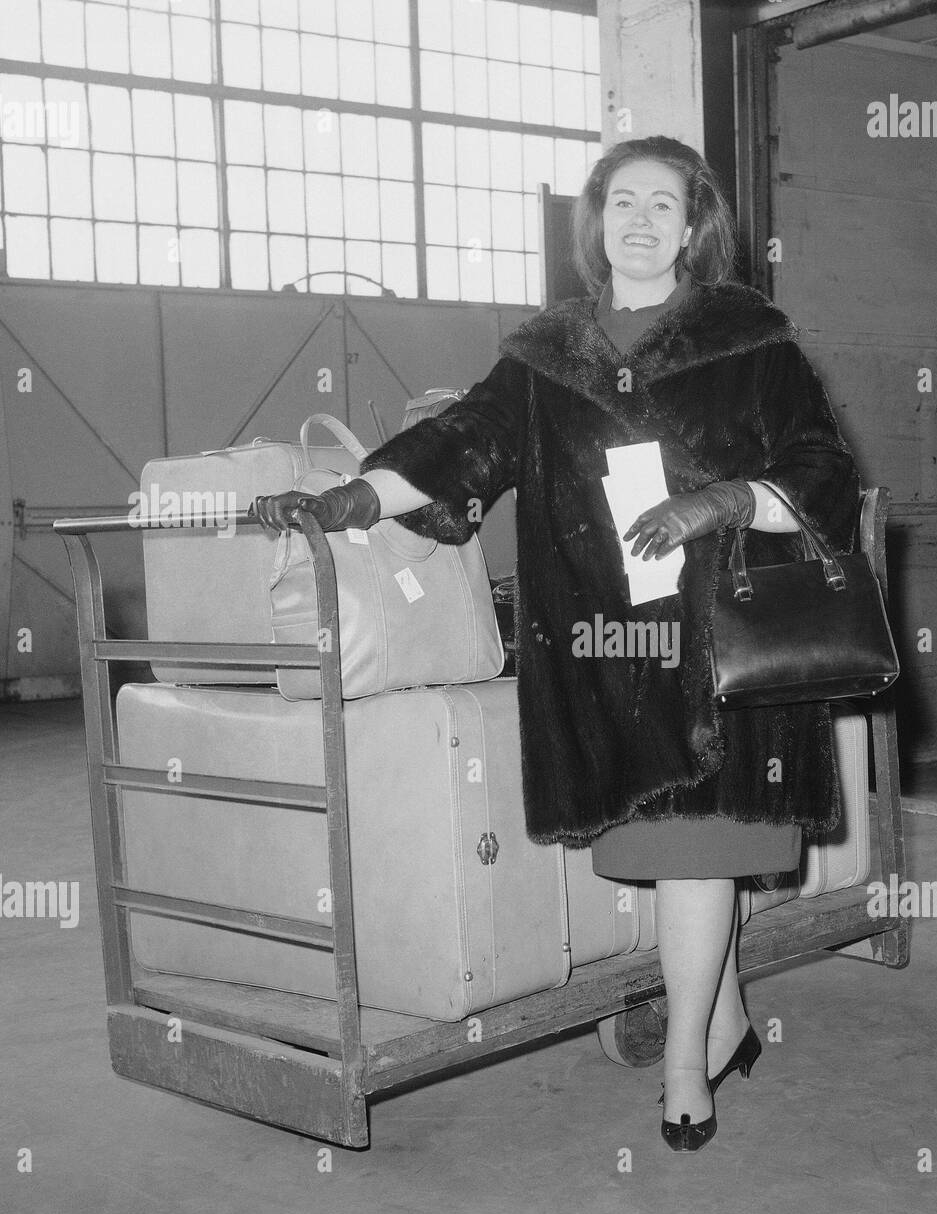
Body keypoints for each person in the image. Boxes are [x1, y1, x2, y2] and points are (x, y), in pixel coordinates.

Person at [254, 136, 861, 1153]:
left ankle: (684, 1075)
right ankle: (726, 1021)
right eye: (621, 201)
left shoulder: (753, 343)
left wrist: (722, 501)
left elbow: (821, 465)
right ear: (596, 222)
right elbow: (463, 444)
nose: (639, 219)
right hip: (604, 646)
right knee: (664, 853)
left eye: (661, 204)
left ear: (693, 224)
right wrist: (351, 495)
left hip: (716, 638)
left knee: (694, 847)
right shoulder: (548, 356)